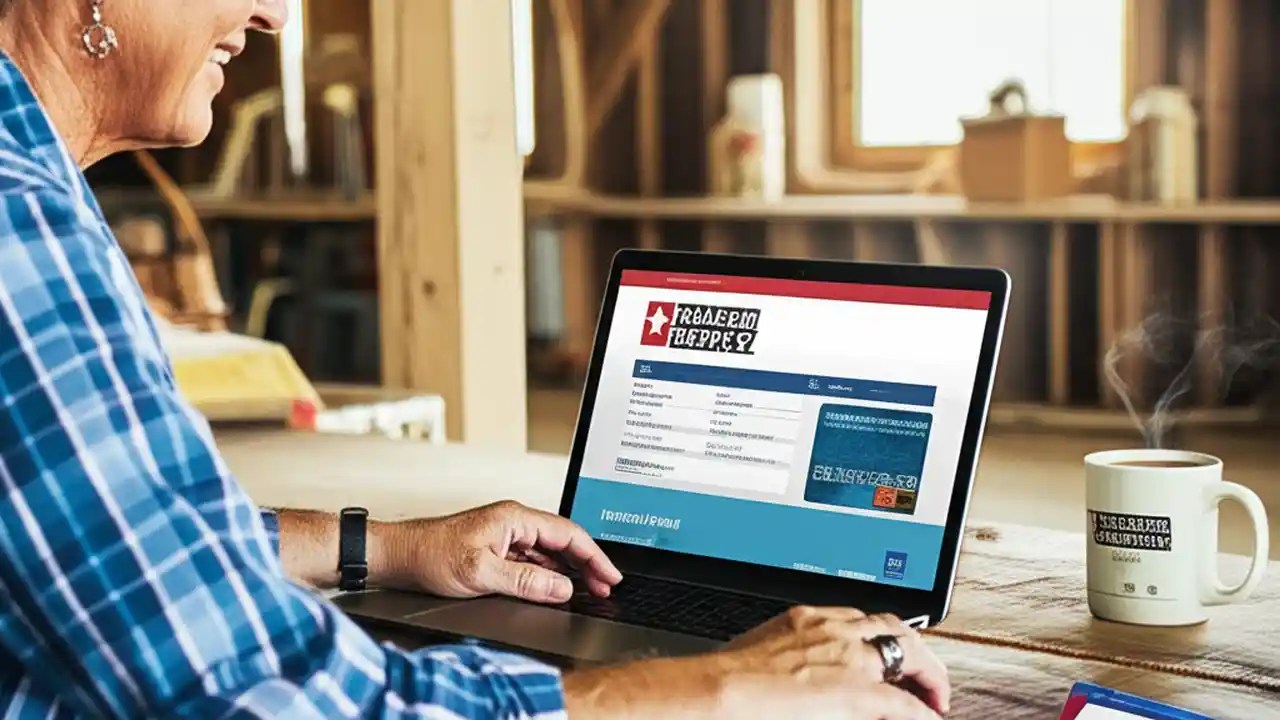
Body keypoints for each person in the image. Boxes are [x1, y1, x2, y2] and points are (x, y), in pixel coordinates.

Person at [0, 1, 952, 718]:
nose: (275, 15)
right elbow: (250, 699)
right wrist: (718, 685)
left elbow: (115, 546)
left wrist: (386, 547)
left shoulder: (42, 187)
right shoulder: (15, 219)